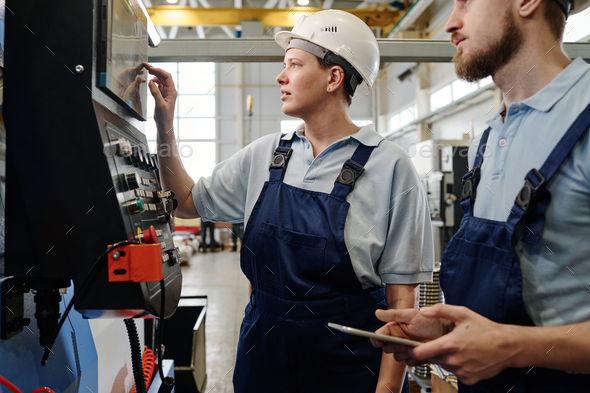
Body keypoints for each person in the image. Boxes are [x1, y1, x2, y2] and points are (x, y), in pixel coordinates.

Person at [146, 10, 434, 393]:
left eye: (294, 65)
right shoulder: (265, 155)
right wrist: (165, 125)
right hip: (262, 358)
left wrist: (386, 390)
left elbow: (402, 304)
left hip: (346, 366)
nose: (280, 77)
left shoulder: (391, 166)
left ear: (334, 77)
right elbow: (185, 201)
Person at [372, 0, 590, 391]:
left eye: (467, 3)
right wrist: (445, 327)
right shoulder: (485, 142)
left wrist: (513, 347)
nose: (449, 24)